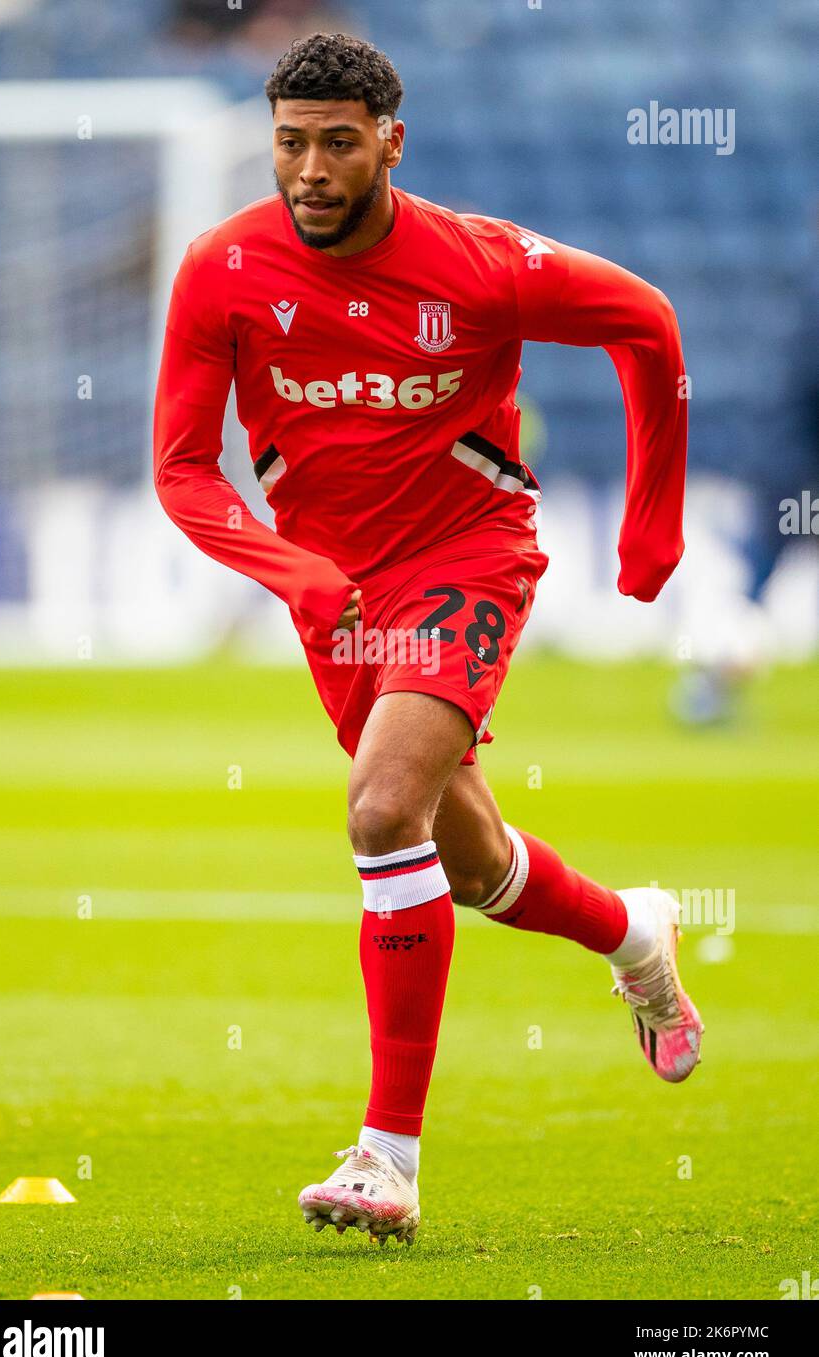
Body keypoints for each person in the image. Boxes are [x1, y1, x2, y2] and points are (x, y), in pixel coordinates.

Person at [153, 32, 703, 1247]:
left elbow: (647, 325)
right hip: (337, 596)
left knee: (378, 813)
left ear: (389, 143)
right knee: (469, 865)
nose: (308, 168)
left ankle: (385, 1159)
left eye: (337, 143)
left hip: (465, 556)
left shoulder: (480, 265)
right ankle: (633, 933)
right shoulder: (221, 270)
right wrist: (289, 566)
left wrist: (649, 525)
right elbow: (182, 471)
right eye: (290, 141)